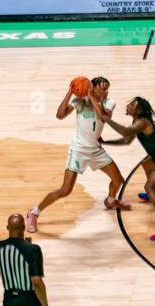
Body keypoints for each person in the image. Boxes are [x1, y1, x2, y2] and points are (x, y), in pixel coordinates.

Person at [26, 77, 130, 234]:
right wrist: (71, 92)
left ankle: (110, 201)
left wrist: (91, 97)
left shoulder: (109, 102)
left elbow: (102, 116)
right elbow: (59, 115)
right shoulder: (80, 101)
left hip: (95, 150)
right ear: (93, 88)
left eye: (107, 88)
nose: (107, 92)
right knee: (65, 190)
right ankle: (34, 213)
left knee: (118, 180)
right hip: (79, 150)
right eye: (103, 88)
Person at [105, 97, 155, 242]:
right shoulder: (138, 122)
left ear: (138, 109)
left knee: (149, 186)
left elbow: (125, 132)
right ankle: (151, 194)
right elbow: (126, 140)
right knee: (146, 163)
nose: (128, 105)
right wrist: (106, 142)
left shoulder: (142, 122)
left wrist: (106, 118)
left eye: (131, 104)